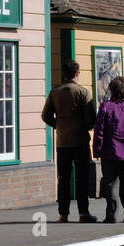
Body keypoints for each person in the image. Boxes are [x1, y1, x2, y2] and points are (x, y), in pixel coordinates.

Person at [41, 60, 98, 223]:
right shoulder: (83, 92)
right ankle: (83, 213)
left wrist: (58, 125)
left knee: (63, 178)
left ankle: (63, 213)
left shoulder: (54, 92)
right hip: (80, 141)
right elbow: (90, 118)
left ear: (63, 73)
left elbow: (45, 116)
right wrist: (86, 126)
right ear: (77, 73)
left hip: (62, 142)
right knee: (82, 178)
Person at [91, 76, 124, 224]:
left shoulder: (106, 107)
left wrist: (97, 150)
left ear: (112, 90)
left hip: (111, 152)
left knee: (111, 184)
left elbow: (99, 131)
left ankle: (111, 215)